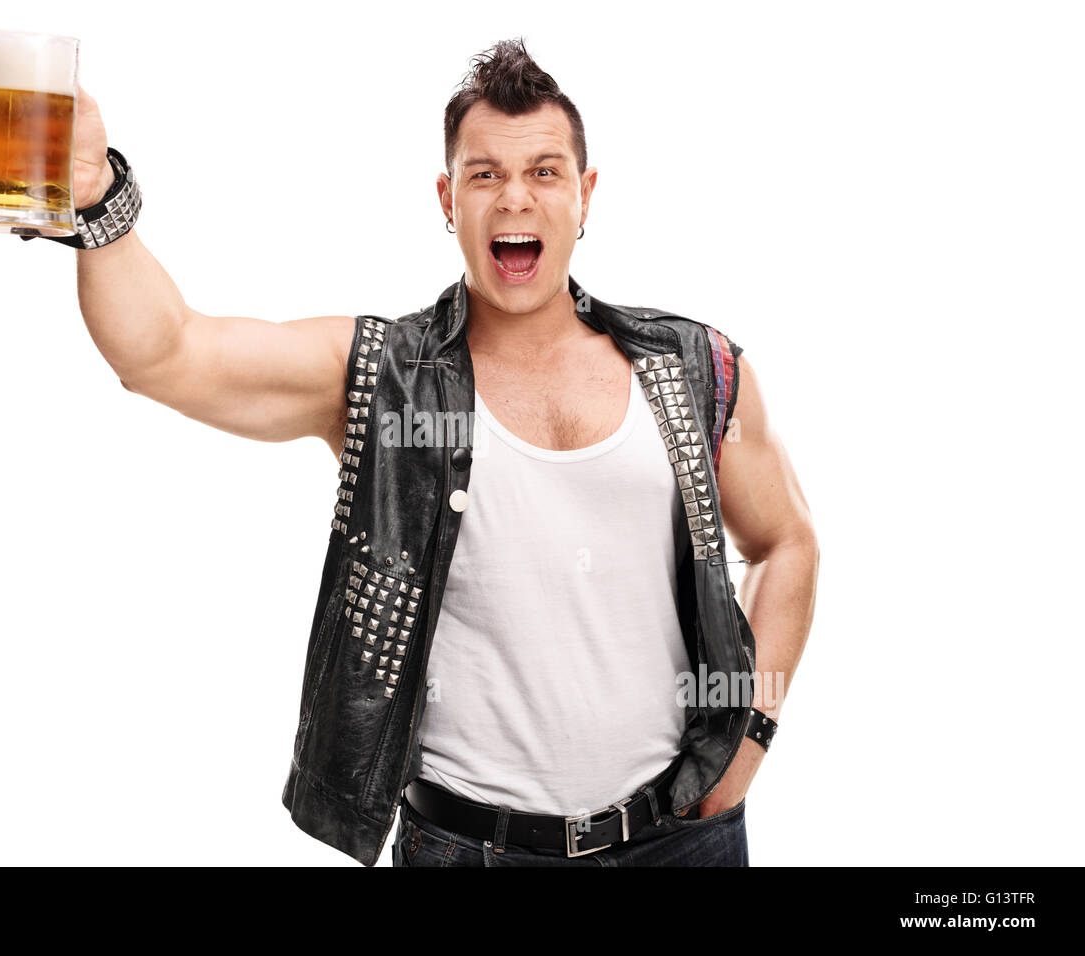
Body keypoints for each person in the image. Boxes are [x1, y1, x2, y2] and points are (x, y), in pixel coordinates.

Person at [43, 38, 818, 867]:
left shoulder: (696, 368)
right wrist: (98, 204)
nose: (514, 197)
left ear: (586, 197)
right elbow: (165, 354)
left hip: (680, 841)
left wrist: (751, 737)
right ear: (448, 199)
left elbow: (785, 543)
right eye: (484, 175)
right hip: (467, 848)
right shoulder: (383, 381)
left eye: (545, 172)